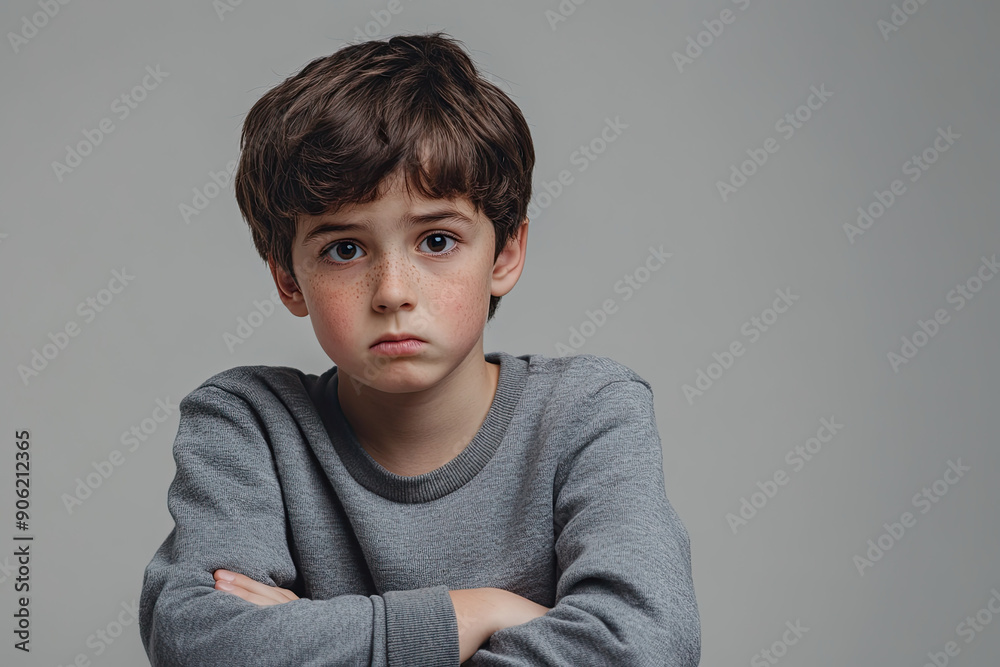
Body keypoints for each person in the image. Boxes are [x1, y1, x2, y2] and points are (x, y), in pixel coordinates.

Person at [138, 31, 700, 666]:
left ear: (506, 253)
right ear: (289, 279)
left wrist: (317, 638)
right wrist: (479, 611)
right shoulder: (249, 424)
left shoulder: (588, 413)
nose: (393, 293)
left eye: (436, 240)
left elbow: (646, 648)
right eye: (344, 249)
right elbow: (198, 646)